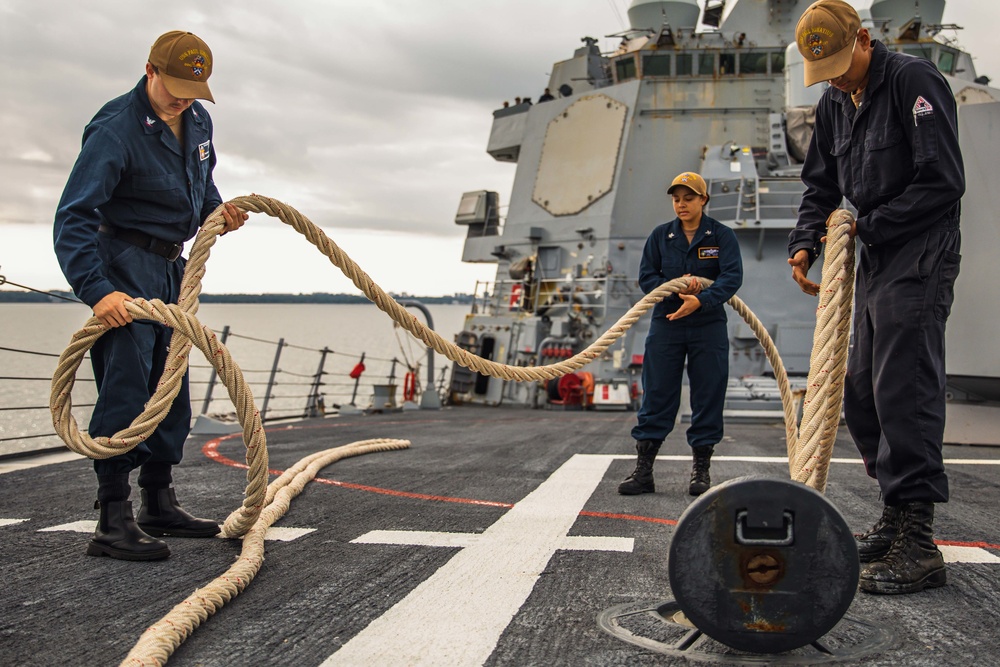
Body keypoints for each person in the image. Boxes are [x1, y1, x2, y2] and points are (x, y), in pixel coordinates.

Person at [788, 0, 964, 594]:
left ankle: (919, 538)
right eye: (825, 74)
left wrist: (868, 227)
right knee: (861, 388)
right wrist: (805, 242)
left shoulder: (914, 81)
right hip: (876, 255)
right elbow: (820, 183)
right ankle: (894, 513)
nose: (835, 80)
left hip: (920, 248)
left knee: (902, 384)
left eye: (840, 67)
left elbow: (943, 181)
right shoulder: (835, 102)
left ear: (863, 40)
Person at [53, 31, 248, 561]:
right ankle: (111, 520)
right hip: (123, 266)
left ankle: (158, 502)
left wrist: (219, 213)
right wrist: (98, 292)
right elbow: (73, 218)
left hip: (171, 269)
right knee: (127, 386)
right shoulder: (115, 128)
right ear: (150, 71)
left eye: (193, 91)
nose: (184, 100)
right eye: (176, 87)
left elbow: (202, 186)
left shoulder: (198, 121)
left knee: (171, 384)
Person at [619, 172, 743, 497]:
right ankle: (644, 471)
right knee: (657, 392)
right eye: (676, 199)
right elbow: (647, 277)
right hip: (668, 323)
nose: (681, 204)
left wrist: (701, 299)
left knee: (708, 393)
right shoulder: (661, 236)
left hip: (708, 324)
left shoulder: (722, 236)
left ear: (703, 200)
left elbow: (731, 277)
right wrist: (677, 290)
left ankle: (701, 471)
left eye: (688, 198)